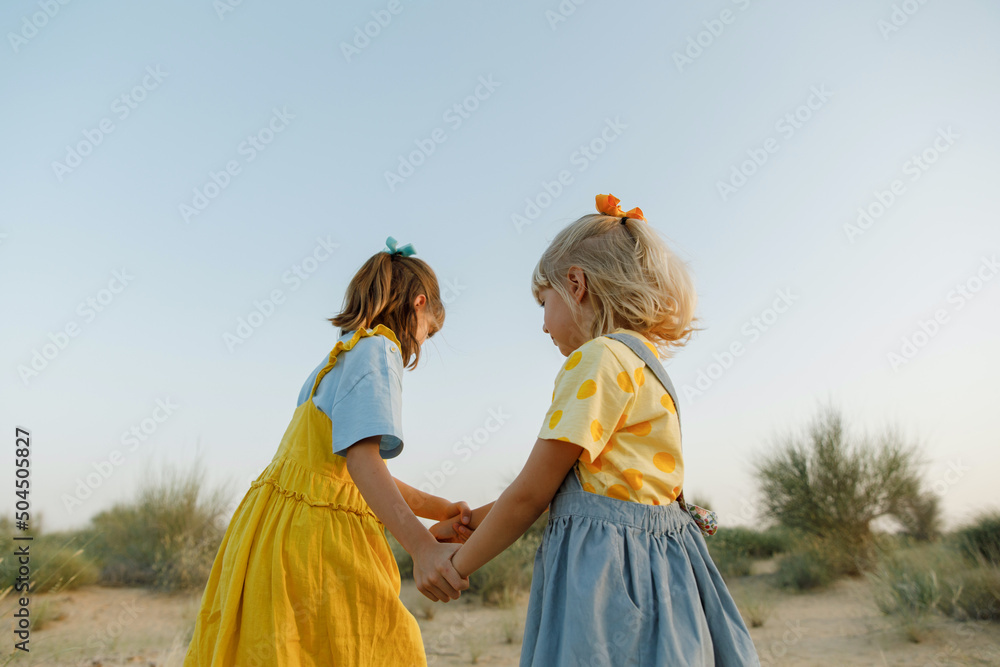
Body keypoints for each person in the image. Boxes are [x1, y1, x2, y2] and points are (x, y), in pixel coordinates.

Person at [440, 195, 760, 666]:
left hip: (609, 574)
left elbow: (532, 493)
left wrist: (455, 567)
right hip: (661, 573)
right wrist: (471, 524)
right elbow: (572, 485)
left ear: (576, 284)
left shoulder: (596, 359)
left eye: (544, 301)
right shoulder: (643, 364)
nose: (543, 324)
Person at [184, 237, 472, 667]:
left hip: (276, 529)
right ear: (418, 304)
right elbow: (362, 462)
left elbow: (350, 471)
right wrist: (422, 547)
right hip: (318, 541)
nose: (421, 344)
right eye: (429, 331)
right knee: (377, 645)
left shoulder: (335, 361)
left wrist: (440, 508)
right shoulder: (379, 349)